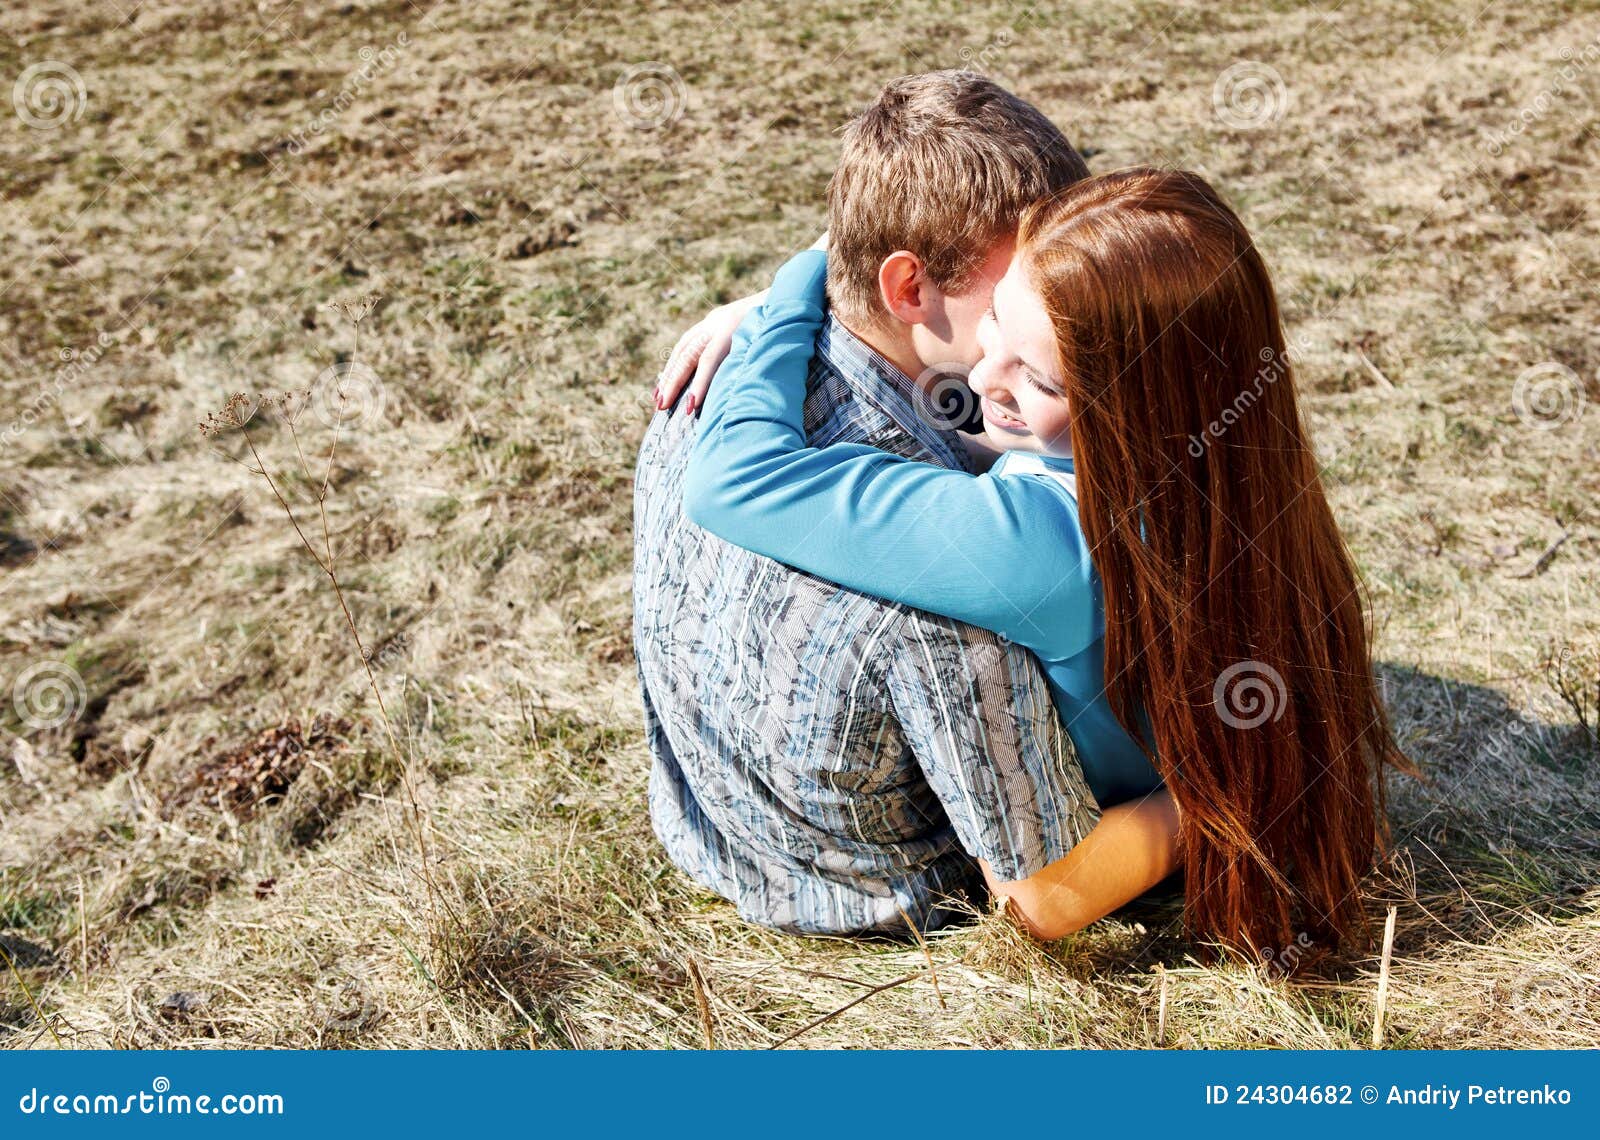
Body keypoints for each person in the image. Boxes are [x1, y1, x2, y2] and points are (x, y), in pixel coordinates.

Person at [671, 168, 1411, 954]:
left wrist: (785, 296)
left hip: (1114, 851)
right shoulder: (1231, 466)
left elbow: (736, 482)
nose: (986, 376)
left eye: (1043, 377)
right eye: (995, 319)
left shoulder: (1040, 545)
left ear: (1136, 404)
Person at [634, 71, 1180, 939]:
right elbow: (1047, 891)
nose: (1056, 298)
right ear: (908, 287)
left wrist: (788, 290)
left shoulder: (716, 378)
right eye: (1013, 297)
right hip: (873, 883)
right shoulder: (949, 574)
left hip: (708, 818)